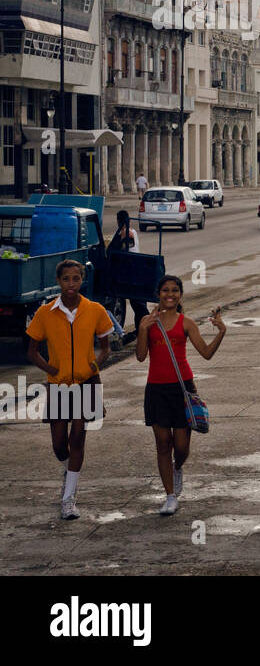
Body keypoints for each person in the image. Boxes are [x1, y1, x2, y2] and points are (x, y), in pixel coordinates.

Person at [25, 260, 113, 521]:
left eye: (76, 278)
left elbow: (106, 347)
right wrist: (52, 370)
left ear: (82, 280)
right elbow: (31, 351)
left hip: (86, 383)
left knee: (78, 437)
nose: (71, 284)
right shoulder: (46, 312)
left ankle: (69, 499)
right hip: (58, 386)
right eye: (66, 279)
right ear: (59, 281)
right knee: (58, 444)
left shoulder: (95, 310)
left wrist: (93, 367)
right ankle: (68, 470)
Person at [136, 276, 226, 516]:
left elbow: (206, 353)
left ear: (180, 295)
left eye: (175, 290)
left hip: (183, 388)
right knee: (163, 444)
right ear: (158, 293)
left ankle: (177, 468)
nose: (170, 294)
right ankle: (170, 496)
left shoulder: (186, 323)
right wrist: (144, 329)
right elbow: (141, 356)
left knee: (181, 445)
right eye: (165, 290)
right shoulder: (147, 322)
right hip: (156, 389)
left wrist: (221, 331)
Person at [107, 210, 147, 345]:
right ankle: (141, 331)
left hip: (132, 272)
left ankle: (146, 329)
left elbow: (118, 250)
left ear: (118, 220)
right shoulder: (131, 231)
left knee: (139, 305)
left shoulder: (126, 233)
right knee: (138, 305)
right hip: (135, 270)